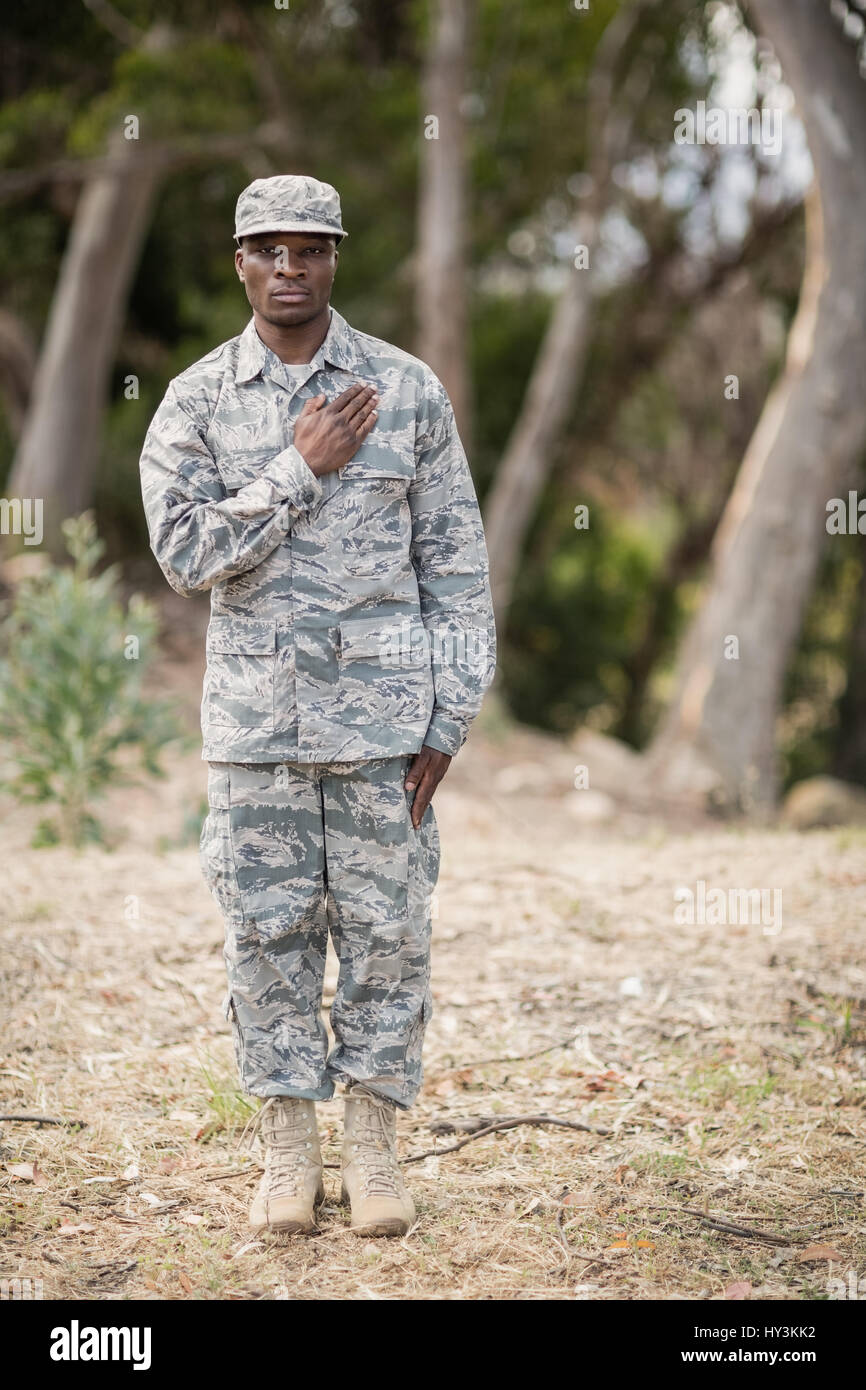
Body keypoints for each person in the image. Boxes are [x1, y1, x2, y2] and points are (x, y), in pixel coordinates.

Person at [139, 174, 496, 1238]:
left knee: (388, 938)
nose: (288, 269)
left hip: (386, 734)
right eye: (267, 250)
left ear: (335, 258)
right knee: (266, 936)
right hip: (257, 735)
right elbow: (183, 554)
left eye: (309, 249)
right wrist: (295, 469)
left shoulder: (407, 389)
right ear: (238, 261)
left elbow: (458, 568)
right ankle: (288, 1150)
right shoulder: (197, 401)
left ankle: (376, 1147)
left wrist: (448, 718)